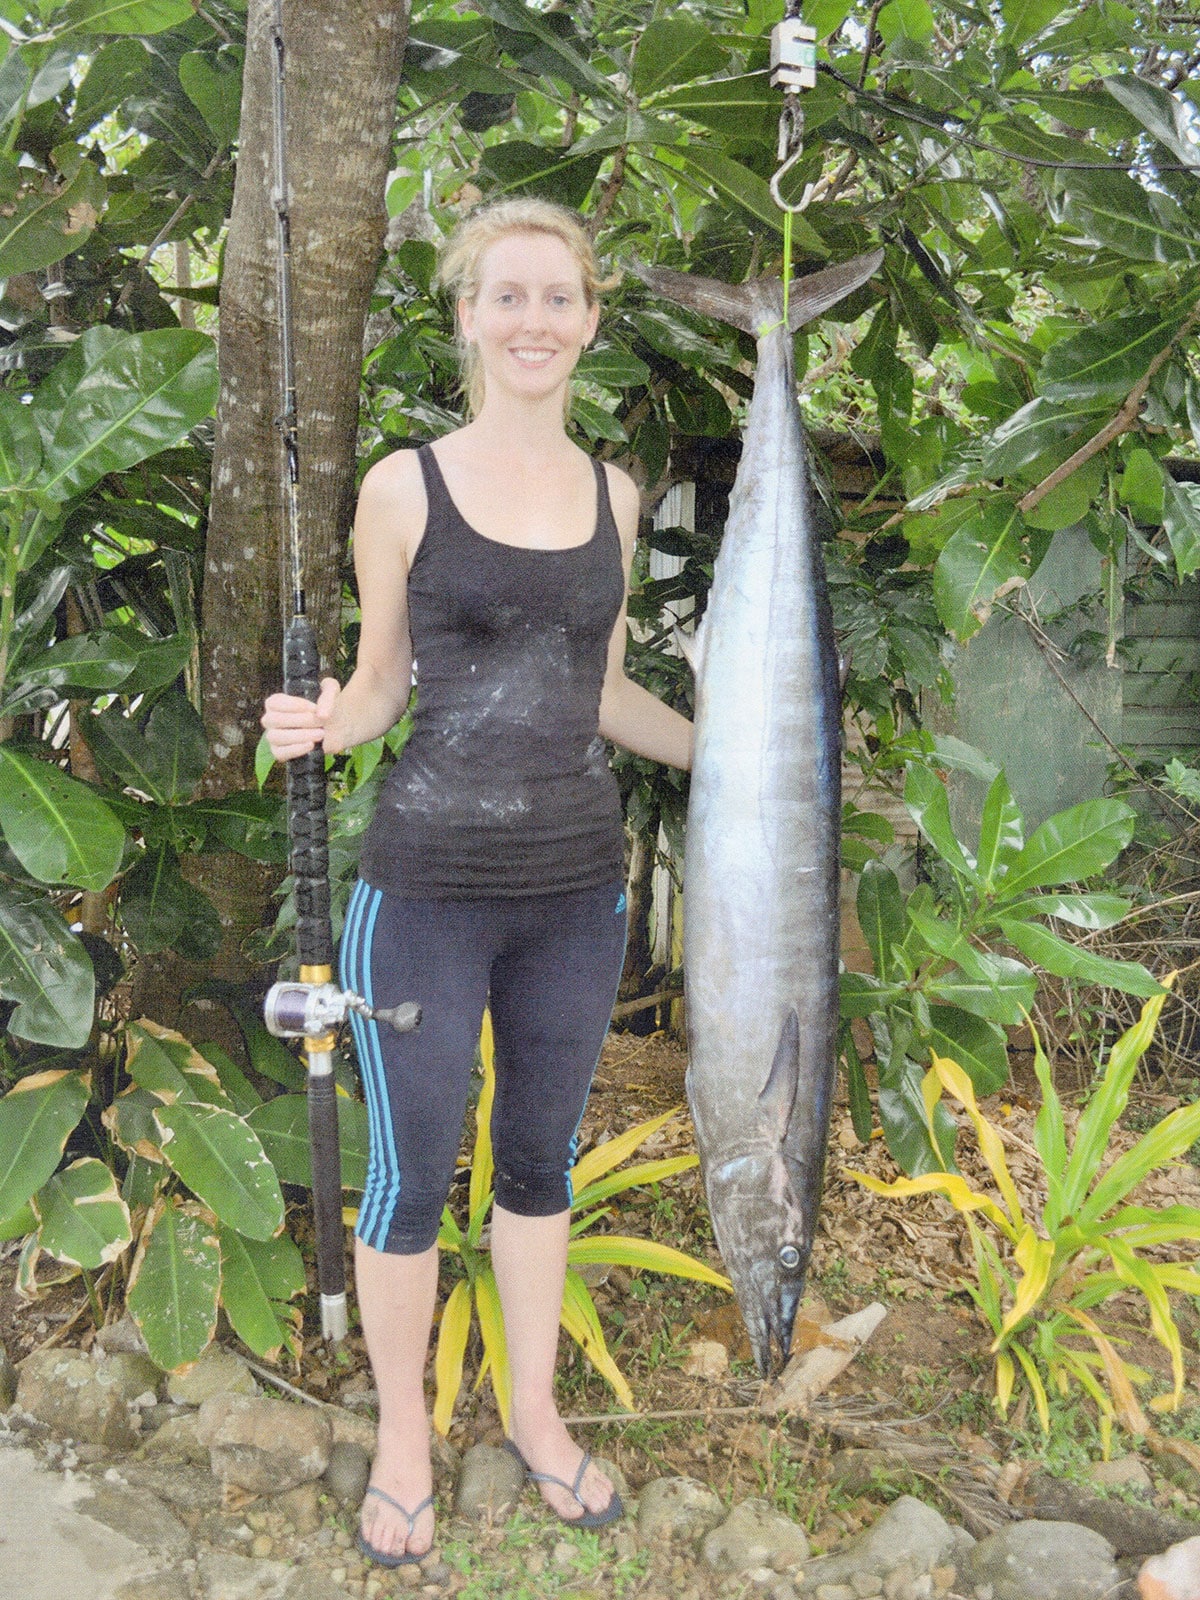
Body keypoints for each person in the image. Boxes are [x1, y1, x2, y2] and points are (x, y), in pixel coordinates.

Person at [262, 196, 693, 1568]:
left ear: (590, 321)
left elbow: (606, 693)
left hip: (577, 893)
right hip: (426, 892)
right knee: (404, 1176)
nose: (532, 321)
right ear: (466, 317)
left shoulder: (617, 494)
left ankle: (533, 1412)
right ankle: (403, 1435)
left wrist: (737, 758)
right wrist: (323, 722)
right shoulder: (405, 487)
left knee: (539, 1165)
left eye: (556, 298)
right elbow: (384, 685)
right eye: (505, 297)